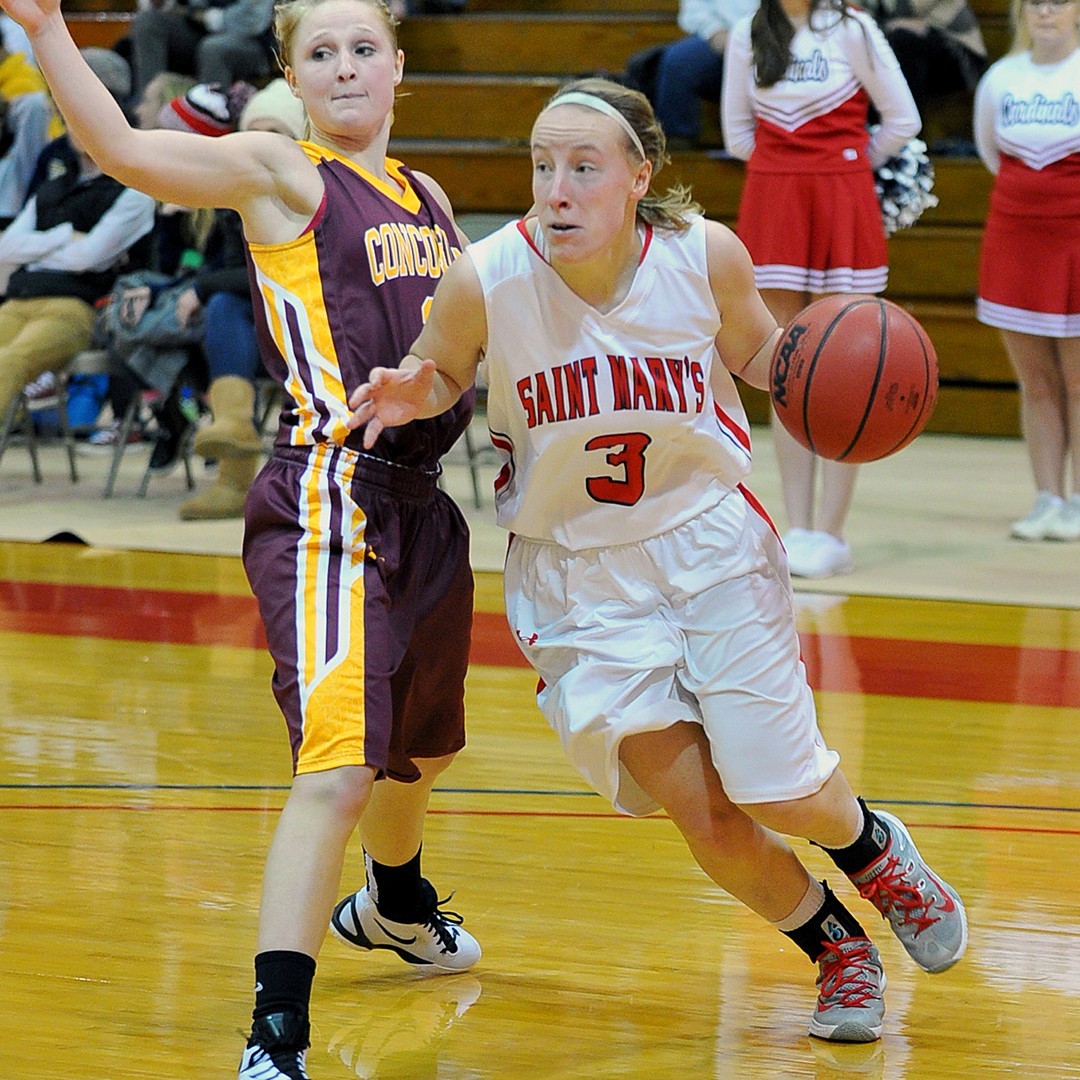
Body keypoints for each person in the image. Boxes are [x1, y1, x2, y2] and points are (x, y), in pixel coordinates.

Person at [349, 76, 968, 1047]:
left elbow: (771, 362)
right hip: (577, 580)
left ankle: (873, 849)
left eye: (583, 168)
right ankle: (837, 946)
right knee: (705, 814)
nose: (557, 188)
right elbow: (442, 372)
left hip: (710, 545)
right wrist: (410, 392)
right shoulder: (487, 278)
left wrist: (851, 375)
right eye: (543, 165)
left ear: (640, 175)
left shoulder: (704, 257)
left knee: (778, 787)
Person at [0, 1, 482, 1077]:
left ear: (399, 66)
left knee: (429, 748)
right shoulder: (279, 170)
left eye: (365, 49)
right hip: (329, 499)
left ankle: (396, 905)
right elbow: (118, 149)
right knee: (338, 770)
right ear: (294, 78)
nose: (347, 68)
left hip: (425, 501)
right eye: (323, 54)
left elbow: (470, 345)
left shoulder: (431, 198)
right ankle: (275, 1035)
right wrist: (45, 28)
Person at [721, 0, 921, 578]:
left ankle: (832, 532)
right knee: (789, 365)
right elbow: (737, 134)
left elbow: (902, 118)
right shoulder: (747, 34)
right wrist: (789, 170)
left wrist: (847, 165)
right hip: (774, 199)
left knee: (851, 369)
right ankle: (797, 526)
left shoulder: (854, 28)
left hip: (843, 195)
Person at [973, 0, 1080, 542]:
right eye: (1035, 1)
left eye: (1058, 1)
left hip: (1077, 236)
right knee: (1035, 380)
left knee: (1079, 379)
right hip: (1016, 236)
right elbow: (991, 152)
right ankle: (1046, 497)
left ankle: (1079, 499)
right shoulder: (1001, 77)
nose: (1045, 11)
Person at [178, 78, 307, 520]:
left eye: (277, 136)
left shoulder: (318, 194)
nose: (265, 147)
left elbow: (284, 275)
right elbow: (239, 271)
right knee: (226, 308)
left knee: (223, 302)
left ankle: (248, 459)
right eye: (256, 135)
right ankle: (233, 441)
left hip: (318, 327)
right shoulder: (237, 196)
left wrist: (203, 287)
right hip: (258, 324)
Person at [0, 126, 155, 423]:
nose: (79, 127)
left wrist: (36, 249)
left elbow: (86, 258)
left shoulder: (134, 191)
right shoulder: (52, 187)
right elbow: (6, 248)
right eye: (72, 119)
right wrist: (65, 235)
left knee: (10, 361)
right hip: (19, 299)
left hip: (79, 308)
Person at [861, 0, 987, 130]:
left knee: (903, 41)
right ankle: (872, 130)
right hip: (905, 52)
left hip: (962, 58)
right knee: (862, 45)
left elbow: (907, 15)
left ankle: (905, 133)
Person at [652, 0, 760, 148]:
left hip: (775, 37)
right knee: (679, 62)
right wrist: (714, 32)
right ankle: (679, 145)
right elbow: (694, 8)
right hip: (720, 36)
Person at [130, 0, 274, 98]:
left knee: (213, 48)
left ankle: (209, 124)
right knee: (148, 22)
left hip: (251, 41)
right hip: (197, 33)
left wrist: (204, 16)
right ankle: (149, 112)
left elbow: (253, 20)